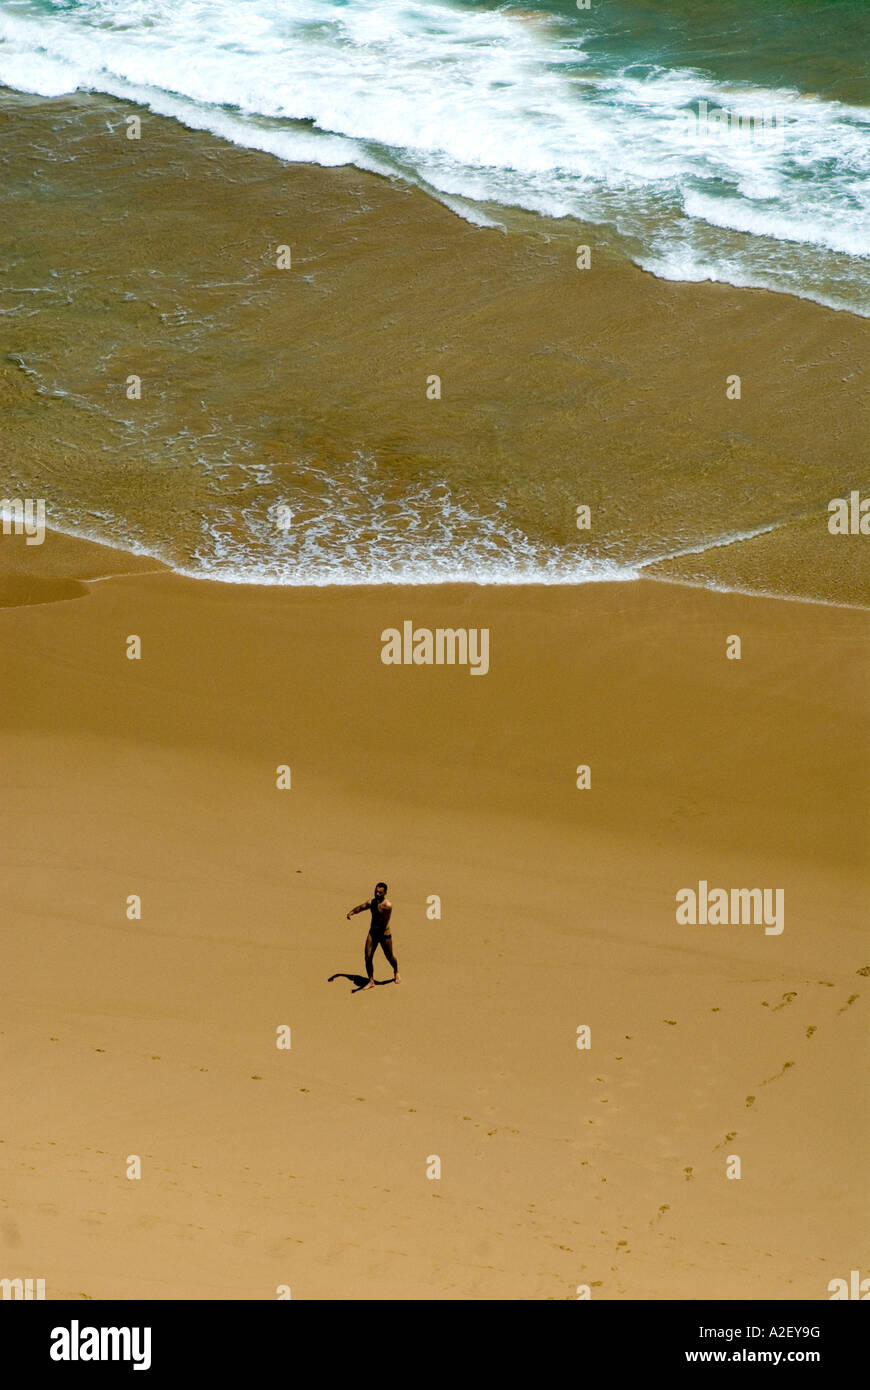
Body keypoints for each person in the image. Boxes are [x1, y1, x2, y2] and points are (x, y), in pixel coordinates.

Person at [346, 882, 401, 989]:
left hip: (384, 935)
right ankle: (371, 981)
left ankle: (396, 971)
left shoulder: (387, 906)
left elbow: (383, 922)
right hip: (373, 934)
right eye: (376, 891)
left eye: (380, 892)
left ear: (385, 893)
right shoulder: (371, 902)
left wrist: (378, 934)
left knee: (389, 957)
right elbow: (361, 907)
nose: (377, 894)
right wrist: (352, 912)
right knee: (367, 957)